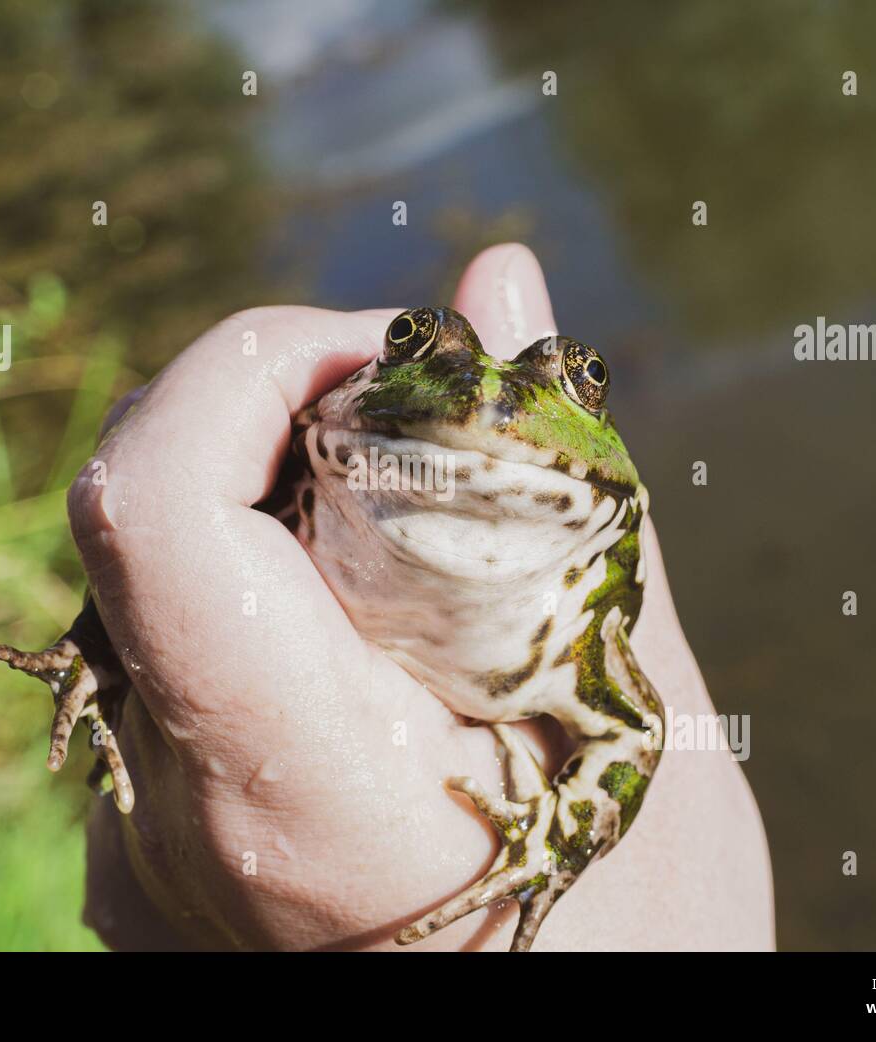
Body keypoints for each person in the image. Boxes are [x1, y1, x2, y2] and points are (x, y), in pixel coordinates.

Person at [72, 243, 774, 951]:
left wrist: (553, 857)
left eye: (583, 379)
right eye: (411, 341)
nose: (489, 402)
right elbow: (163, 543)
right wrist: (98, 645)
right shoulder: (295, 489)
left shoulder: (584, 634)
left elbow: (632, 734)